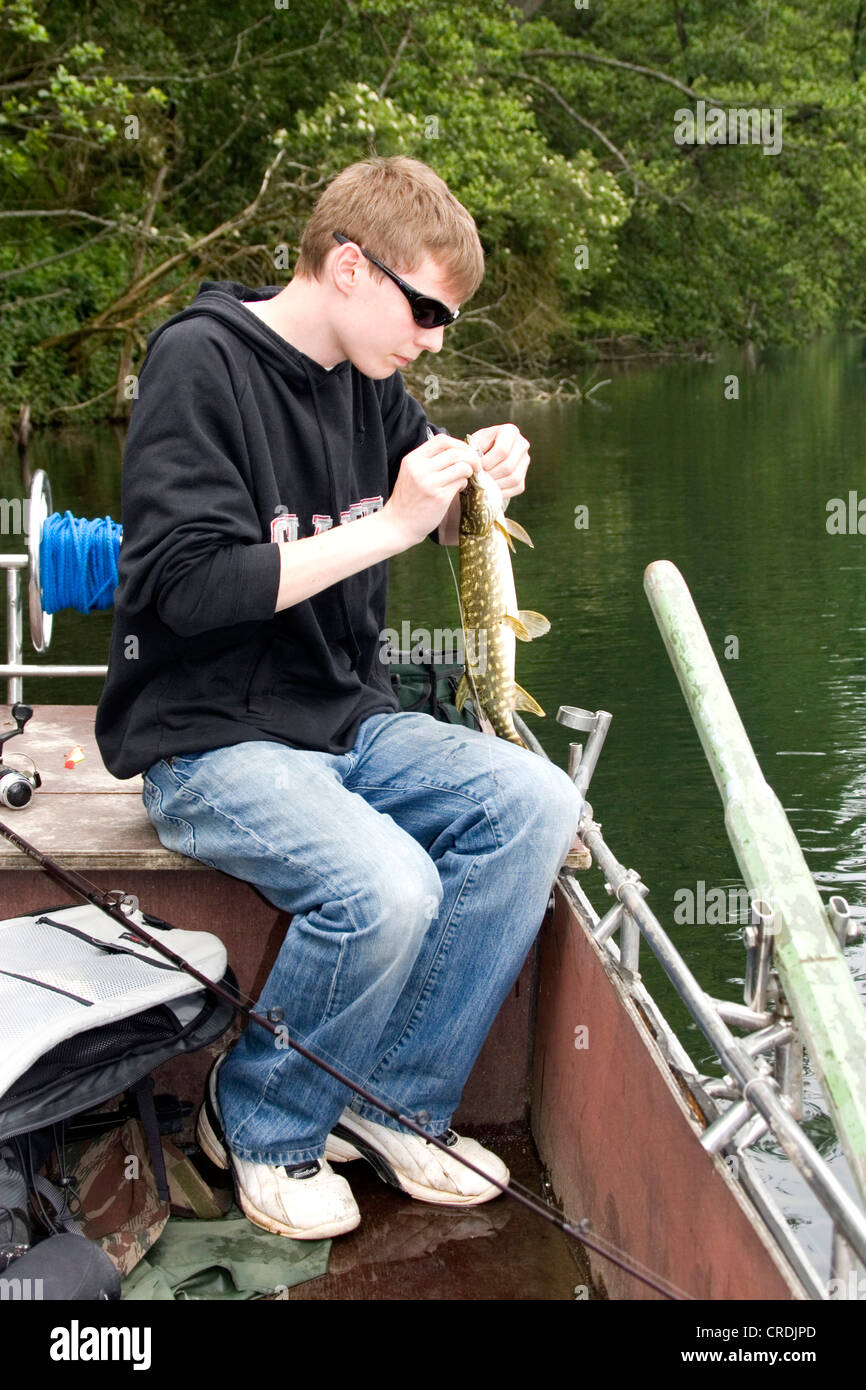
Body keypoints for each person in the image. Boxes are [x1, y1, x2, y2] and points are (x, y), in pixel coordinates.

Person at [95, 155, 583, 1241]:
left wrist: (478, 490)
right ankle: (256, 1118)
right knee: (386, 885)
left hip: (343, 722)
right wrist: (393, 526)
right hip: (208, 736)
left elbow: (436, 517)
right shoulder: (198, 363)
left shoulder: (375, 385)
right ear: (349, 266)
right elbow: (183, 586)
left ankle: (387, 1100)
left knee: (535, 805)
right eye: (425, 309)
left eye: (448, 318)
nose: (435, 337)